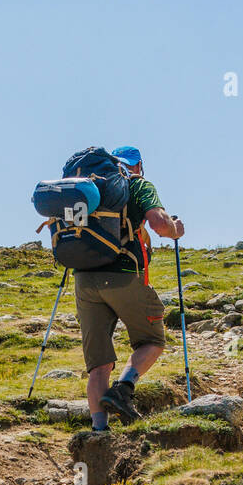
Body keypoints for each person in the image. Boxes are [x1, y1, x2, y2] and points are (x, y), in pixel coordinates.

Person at [75, 144, 184, 429]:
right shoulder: (137, 185)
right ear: (139, 165)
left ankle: (100, 434)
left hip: (84, 279)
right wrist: (175, 229)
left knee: (99, 365)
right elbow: (159, 225)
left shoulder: (89, 188)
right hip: (121, 275)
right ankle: (124, 390)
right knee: (153, 341)